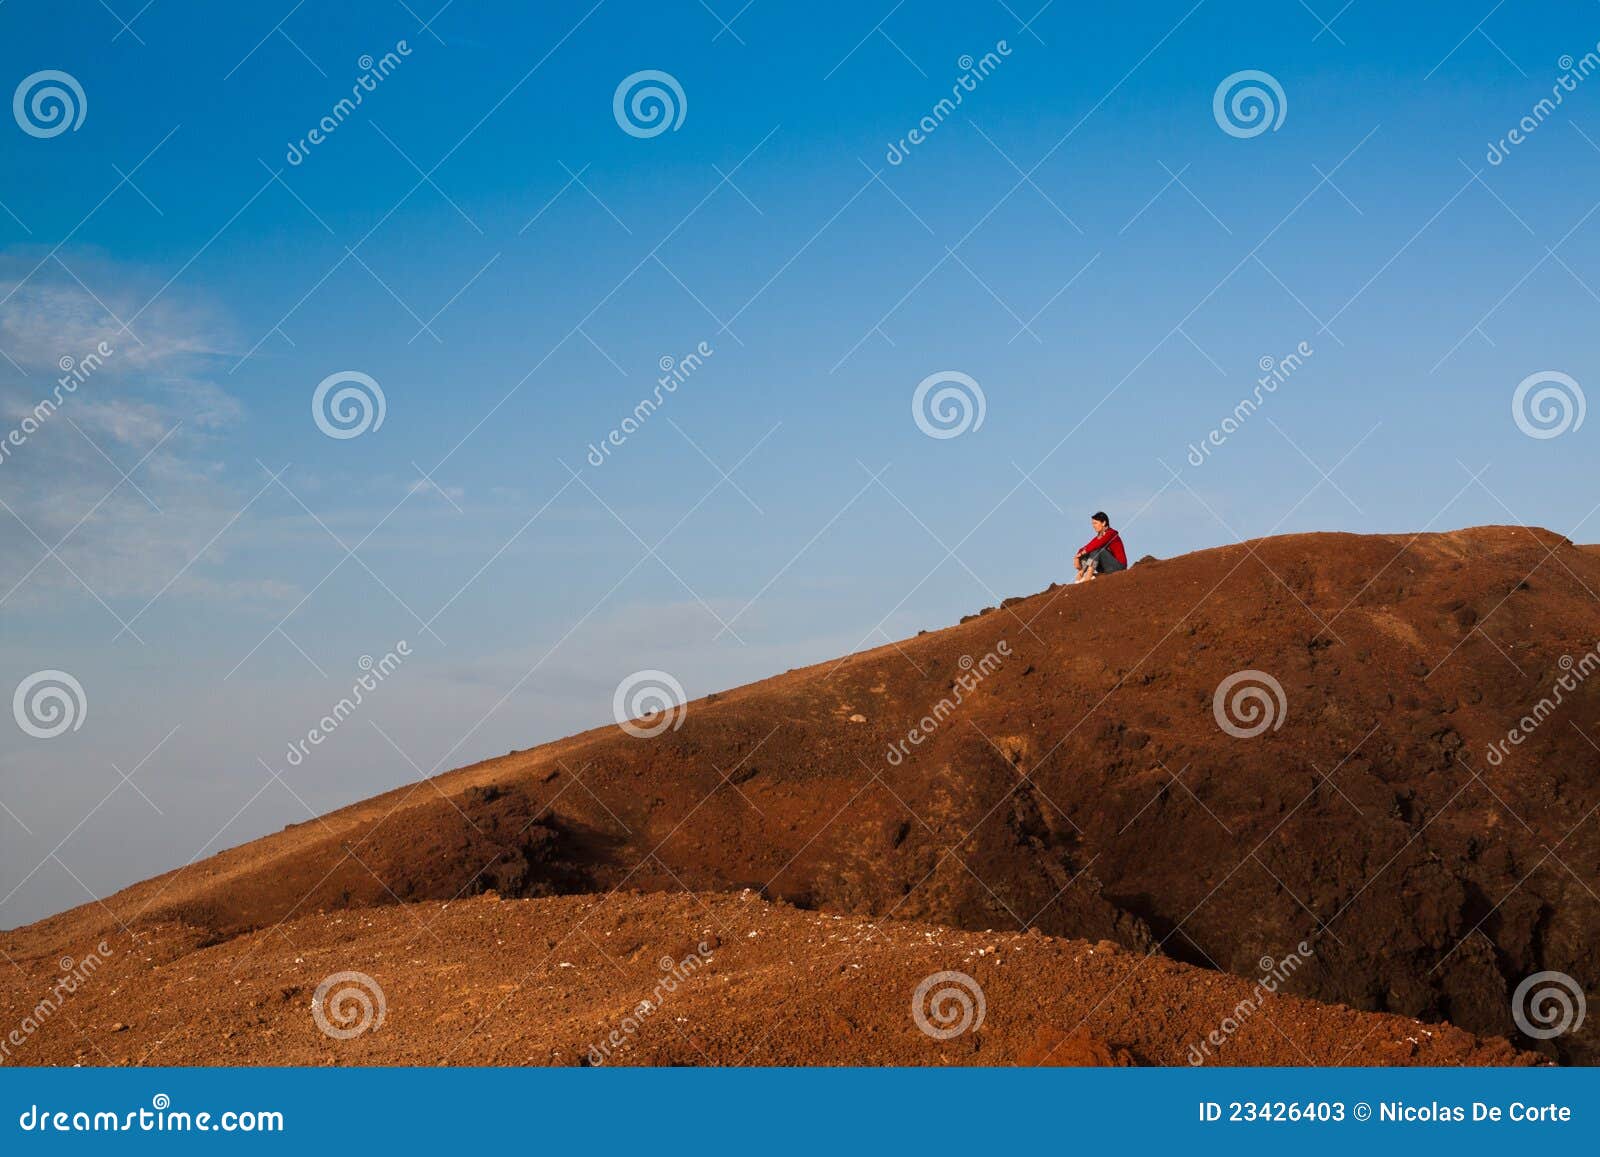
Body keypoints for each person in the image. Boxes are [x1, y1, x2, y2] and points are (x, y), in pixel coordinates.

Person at [1074, 512, 1127, 583]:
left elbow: (1096, 544)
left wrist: (1081, 554)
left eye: (1095, 523)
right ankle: (1082, 574)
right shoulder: (1099, 536)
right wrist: (1077, 557)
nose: (1093, 526)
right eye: (1092, 524)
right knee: (1088, 552)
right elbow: (1086, 547)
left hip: (1119, 567)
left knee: (1097, 550)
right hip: (1107, 568)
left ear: (1103, 523)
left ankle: (1088, 576)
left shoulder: (1111, 533)